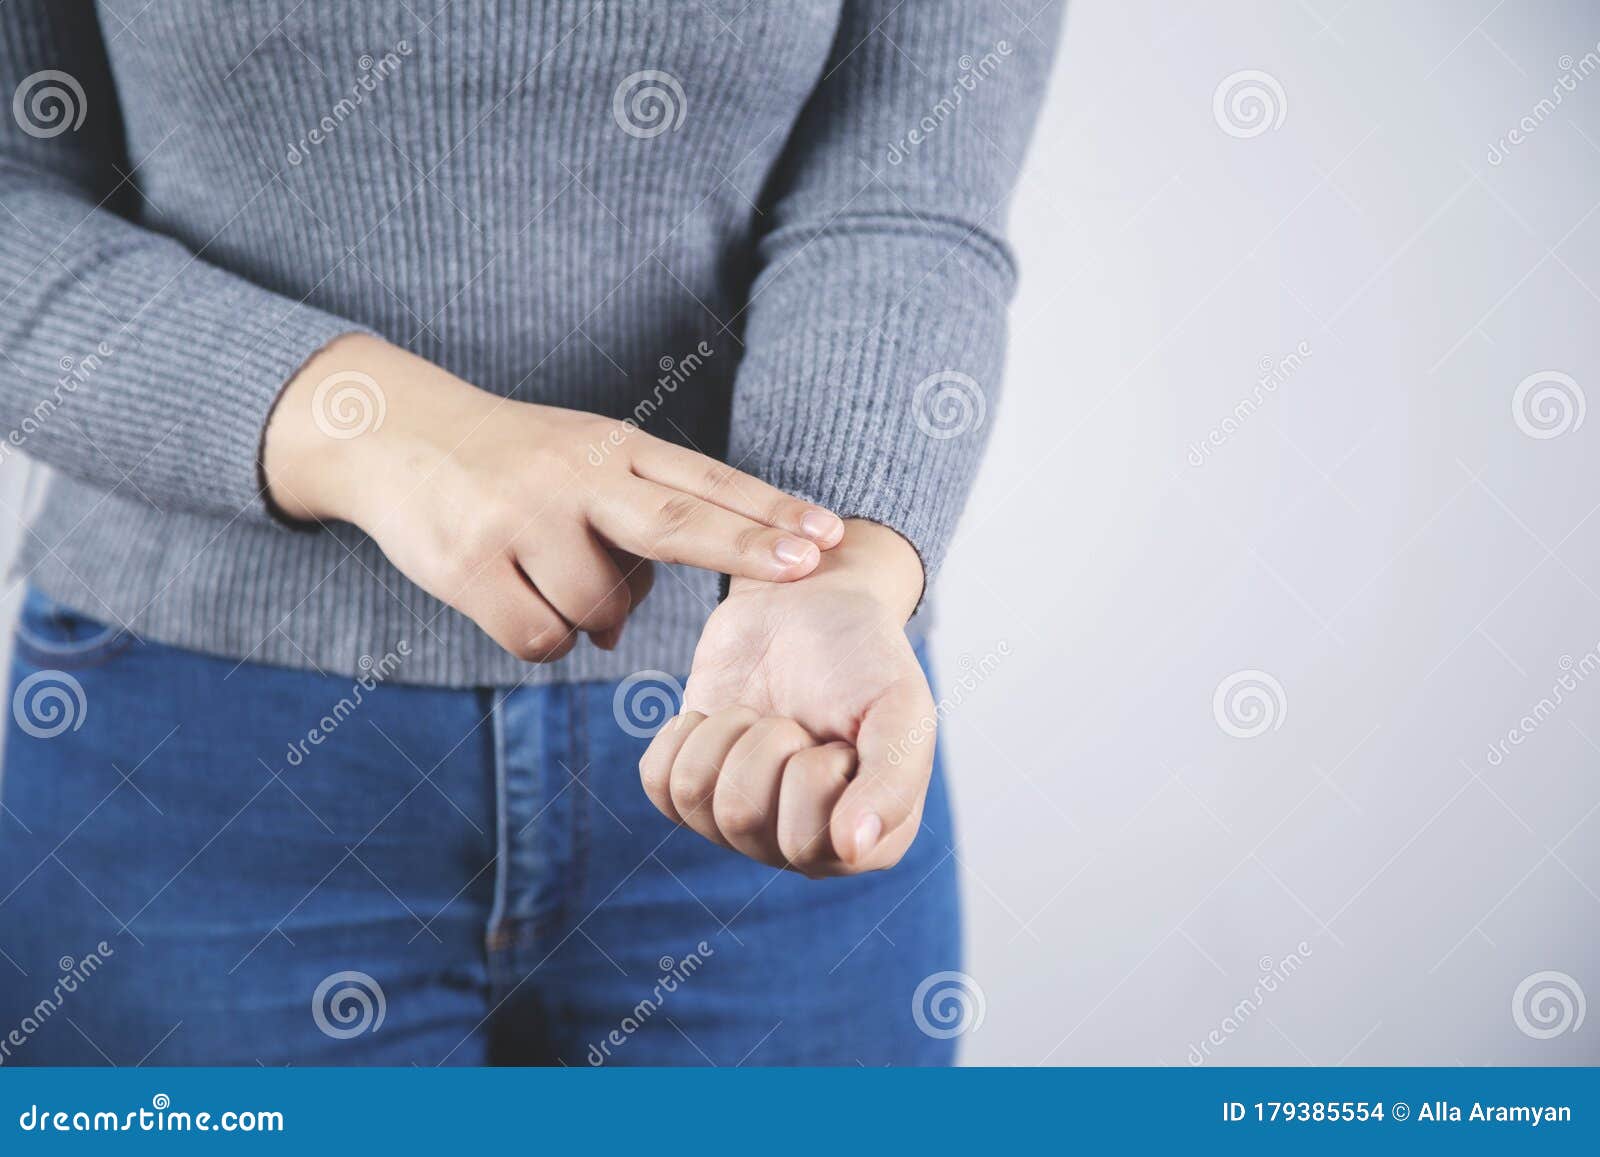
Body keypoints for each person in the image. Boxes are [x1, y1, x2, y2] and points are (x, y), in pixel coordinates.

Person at [0, 1, 1057, 1065]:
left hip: (767, 737)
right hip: (192, 761)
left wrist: (832, 574)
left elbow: (903, 195)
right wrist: (376, 427)